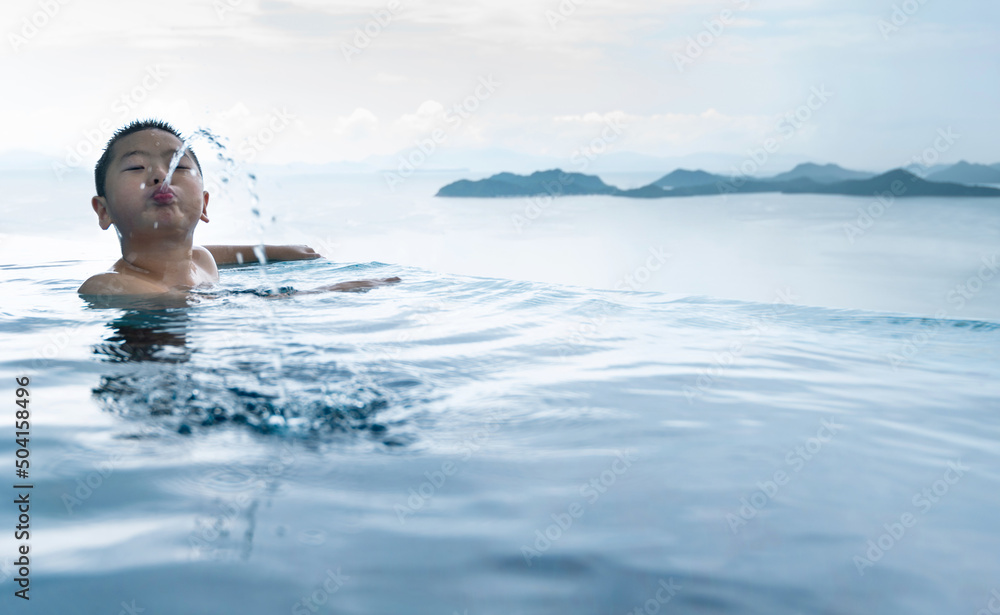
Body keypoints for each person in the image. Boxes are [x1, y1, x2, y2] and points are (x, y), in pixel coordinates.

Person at [78, 119, 399, 297]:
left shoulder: (201, 262)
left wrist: (278, 250)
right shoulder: (109, 285)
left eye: (180, 167)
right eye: (136, 167)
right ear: (103, 211)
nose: (161, 175)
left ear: (203, 205)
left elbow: (212, 252)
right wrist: (327, 290)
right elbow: (203, 305)